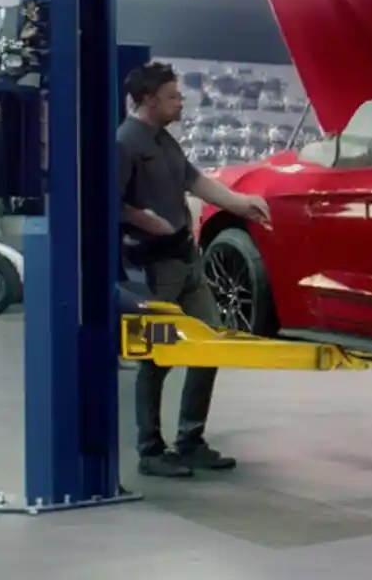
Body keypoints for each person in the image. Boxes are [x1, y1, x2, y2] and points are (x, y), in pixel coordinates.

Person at [117, 61, 271, 478]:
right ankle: (151, 450)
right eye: (173, 96)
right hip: (154, 269)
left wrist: (241, 204)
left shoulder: (165, 141)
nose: (181, 101)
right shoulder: (125, 143)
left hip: (188, 259)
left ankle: (190, 440)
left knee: (210, 344)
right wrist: (141, 218)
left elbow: (196, 181)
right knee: (158, 355)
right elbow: (107, 201)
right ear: (149, 100)